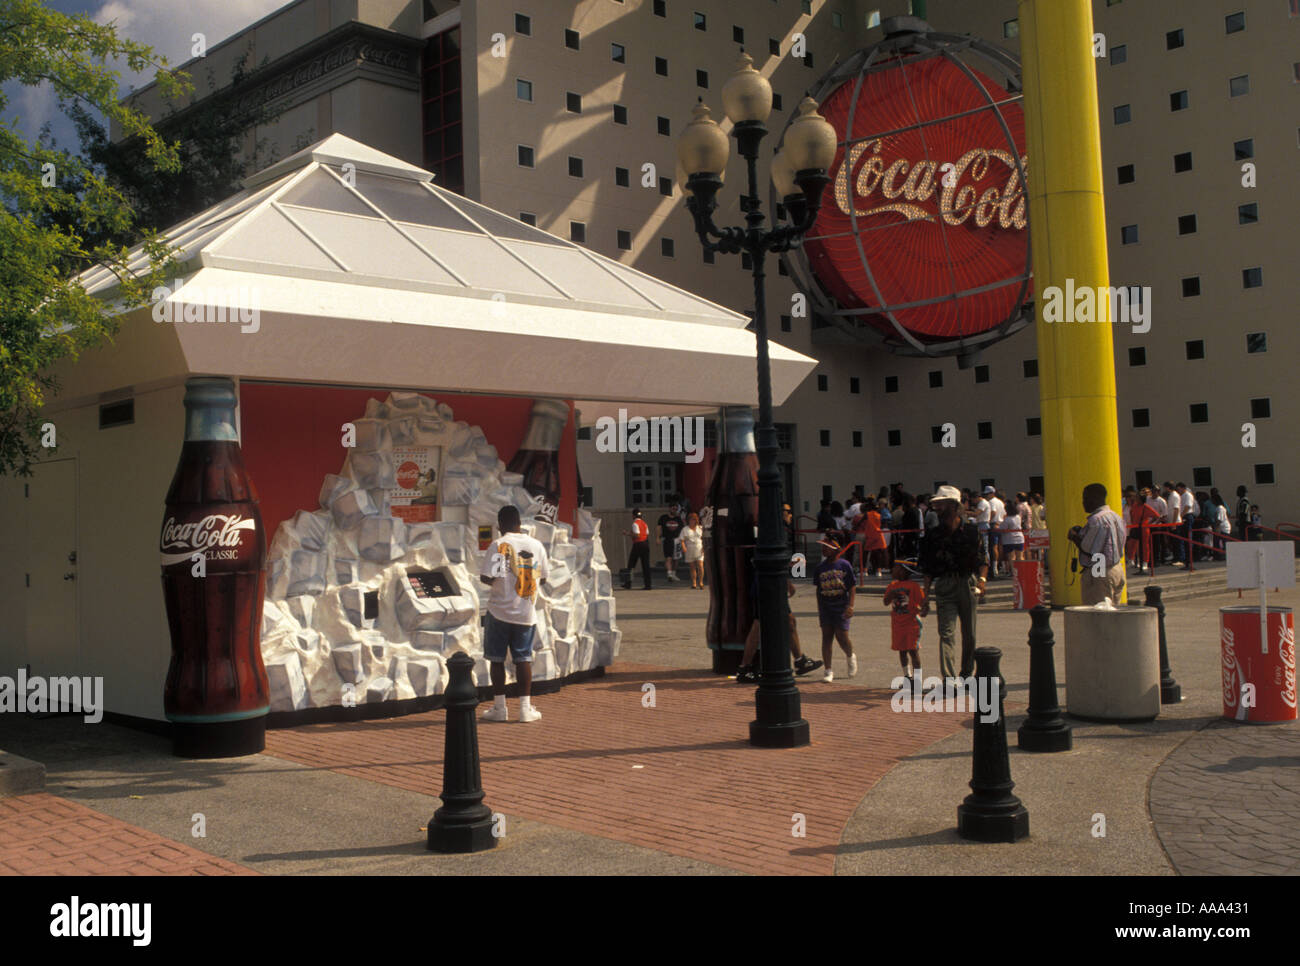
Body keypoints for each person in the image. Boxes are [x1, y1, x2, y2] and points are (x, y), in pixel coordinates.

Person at [480, 505, 550, 723]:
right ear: (519, 522)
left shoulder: (499, 545)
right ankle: (525, 709)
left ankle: (500, 708)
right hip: (525, 612)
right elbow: (544, 577)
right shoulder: (536, 545)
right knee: (523, 659)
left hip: (499, 611)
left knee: (496, 659)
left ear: (500, 525)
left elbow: (488, 578)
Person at [917, 485, 988, 682]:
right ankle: (949, 679)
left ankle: (966, 674)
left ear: (953, 505)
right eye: (935, 505)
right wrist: (925, 597)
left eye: (940, 504)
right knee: (946, 633)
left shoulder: (972, 532)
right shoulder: (932, 535)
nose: (936, 508)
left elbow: (983, 560)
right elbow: (928, 569)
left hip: (967, 582)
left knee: (969, 634)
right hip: (944, 586)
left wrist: (982, 581)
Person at [735, 571, 822, 683]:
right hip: (769, 584)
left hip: (773, 583)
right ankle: (744, 668)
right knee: (758, 626)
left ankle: (800, 660)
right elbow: (775, 561)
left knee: (789, 621)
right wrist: (788, 583)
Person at [1067, 483, 1126, 605]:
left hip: (1099, 570)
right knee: (1113, 612)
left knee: (1098, 612)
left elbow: (1088, 549)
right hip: (1117, 568)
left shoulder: (1096, 520)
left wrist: (1074, 537)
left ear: (1094, 499)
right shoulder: (1116, 516)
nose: (1083, 502)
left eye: (1085, 498)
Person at [814, 534, 857, 683]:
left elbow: (852, 587)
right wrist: (820, 608)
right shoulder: (820, 568)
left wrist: (850, 606)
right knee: (827, 637)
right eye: (822, 547)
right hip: (826, 607)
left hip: (841, 606)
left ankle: (850, 655)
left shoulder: (844, 565)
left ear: (835, 549)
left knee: (842, 636)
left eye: (826, 547)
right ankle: (828, 670)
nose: (823, 549)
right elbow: (818, 590)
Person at [884, 561, 925, 688]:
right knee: (901, 651)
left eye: (895, 568)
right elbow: (885, 602)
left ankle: (917, 681)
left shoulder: (914, 586)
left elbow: (922, 602)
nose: (892, 570)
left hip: (911, 624)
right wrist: (890, 595)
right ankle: (907, 677)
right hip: (897, 624)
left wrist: (922, 609)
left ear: (903, 570)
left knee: (913, 651)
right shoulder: (892, 586)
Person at [622, 509, 652, 590]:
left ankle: (628, 583)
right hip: (646, 543)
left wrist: (628, 534)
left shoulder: (635, 524)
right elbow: (647, 533)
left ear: (633, 515)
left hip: (638, 544)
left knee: (631, 564)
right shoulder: (644, 523)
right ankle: (648, 585)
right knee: (646, 565)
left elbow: (637, 535)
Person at [657, 504, 684, 583]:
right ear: (669, 508)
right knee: (668, 557)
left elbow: (682, 529)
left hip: (677, 540)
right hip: (667, 539)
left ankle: (674, 574)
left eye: (675, 509)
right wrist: (658, 537)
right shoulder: (663, 518)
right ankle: (669, 574)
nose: (674, 510)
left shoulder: (678, 519)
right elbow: (658, 527)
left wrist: (683, 540)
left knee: (676, 559)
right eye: (673, 508)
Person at [680, 511, 705, 589]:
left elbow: (704, 538)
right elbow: (682, 540)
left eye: (694, 519)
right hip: (690, 548)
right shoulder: (685, 529)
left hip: (699, 547)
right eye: (691, 519)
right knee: (692, 567)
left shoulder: (700, 528)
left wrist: (704, 547)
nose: (692, 521)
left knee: (700, 565)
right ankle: (694, 582)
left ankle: (701, 582)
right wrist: (683, 547)